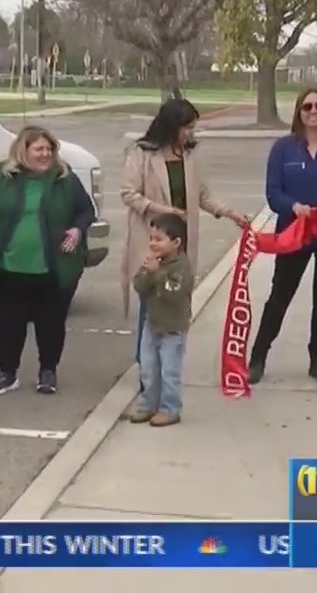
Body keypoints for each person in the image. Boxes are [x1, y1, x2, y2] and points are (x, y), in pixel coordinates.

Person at [120, 99, 248, 391]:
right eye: (186, 127)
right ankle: (147, 377)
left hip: (181, 246)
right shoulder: (142, 153)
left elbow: (202, 195)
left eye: (193, 127)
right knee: (150, 310)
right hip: (153, 241)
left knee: (175, 308)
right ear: (171, 126)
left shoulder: (188, 156)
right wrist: (160, 208)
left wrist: (229, 212)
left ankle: (167, 373)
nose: (191, 133)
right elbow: (129, 193)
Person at [0, 125, 95, 396]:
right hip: (9, 266)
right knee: (8, 324)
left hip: (52, 269)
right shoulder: (1, 176)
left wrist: (76, 230)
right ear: (23, 150)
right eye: (38, 149)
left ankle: (47, 372)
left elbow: (86, 211)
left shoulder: (65, 178)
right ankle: (7, 373)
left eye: (49, 149)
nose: (45, 154)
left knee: (50, 323)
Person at [250, 89, 317, 385]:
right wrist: (292, 206)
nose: (314, 111)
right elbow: (274, 192)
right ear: (299, 111)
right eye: (307, 106)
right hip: (294, 233)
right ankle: (258, 357)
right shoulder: (283, 149)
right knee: (279, 297)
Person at [128, 213, 195, 427]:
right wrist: (147, 273)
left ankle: (170, 408)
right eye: (151, 239)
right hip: (152, 324)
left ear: (176, 243)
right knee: (148, 368)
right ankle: (149, 405)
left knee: (169, 372)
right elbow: (139, 286)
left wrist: (157, 274)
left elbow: (174, 293)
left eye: (158, 239)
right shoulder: (153, 262)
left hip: (173, 329)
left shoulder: (182, 267)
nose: (153, 244)